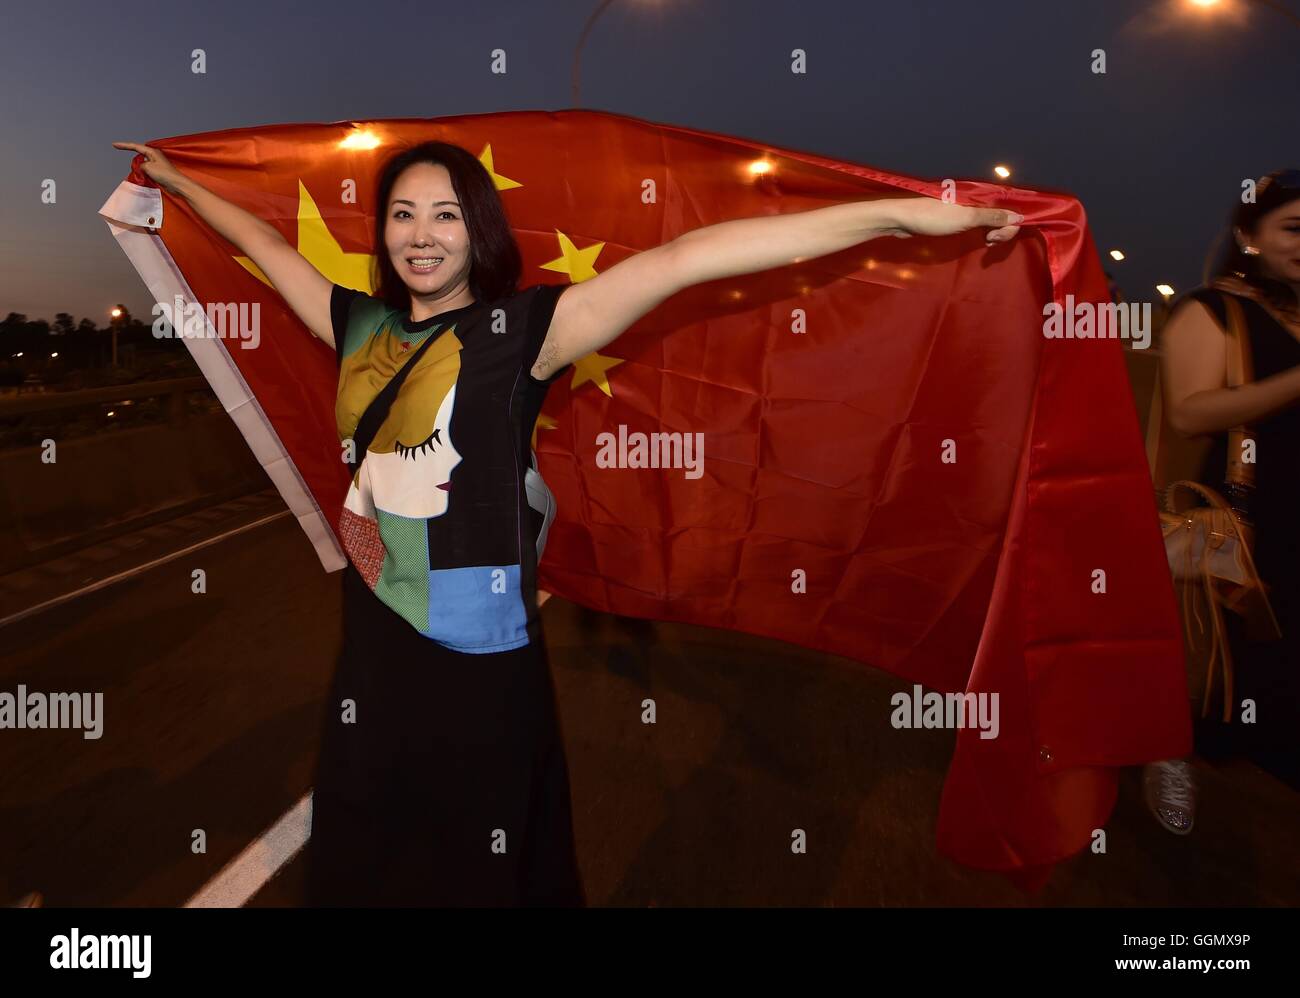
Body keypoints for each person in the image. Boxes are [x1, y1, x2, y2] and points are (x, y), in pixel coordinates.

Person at [112, 137, 1022, 905]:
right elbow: (268, 247)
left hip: (480, 655)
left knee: (490, 860)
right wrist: (185, 182)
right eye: (402, 214)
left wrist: (905, 217)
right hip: (376, 641)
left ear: (478, 230)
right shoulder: (355, 325)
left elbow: (687, 259)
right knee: (362, 846)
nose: (420, 236)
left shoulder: (526, 333)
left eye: (445, 215)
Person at [1153, 169, 1300, 833]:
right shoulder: (1212, 309)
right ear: (1248, 236)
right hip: (1249, 521)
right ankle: (1170, 759)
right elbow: (1190, 413)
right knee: (1223, 670)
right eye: (1293, 229)